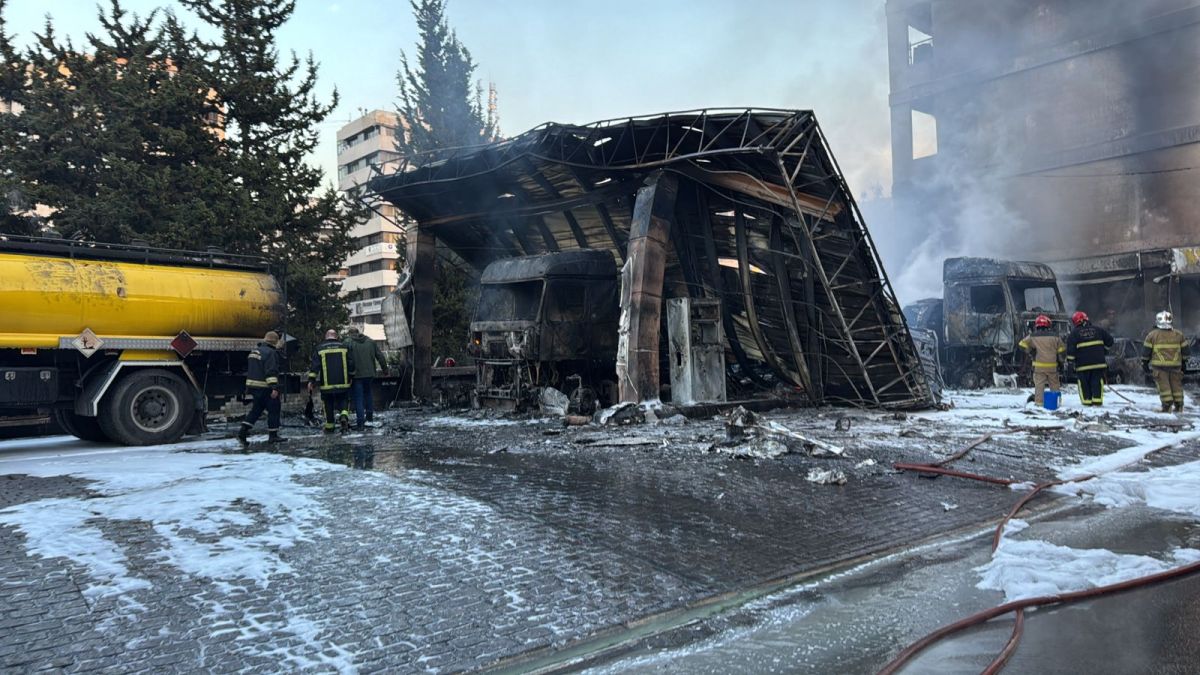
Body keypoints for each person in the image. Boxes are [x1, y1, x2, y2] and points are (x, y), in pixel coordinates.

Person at [237, 331, 285, 446]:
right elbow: (271, 371)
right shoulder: (271, 353)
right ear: (275, 341)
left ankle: (243, 431)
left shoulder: (254, 351)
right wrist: (274, 387)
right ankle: (273, 436)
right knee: (274, 408)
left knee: (256, 410)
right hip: (265, 387)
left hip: (254, 387)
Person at [1142, 311, 1190, 413]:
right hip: (1176, 366)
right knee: (1176, 386)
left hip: (1160, 367)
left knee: (1164, 387)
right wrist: (1184, 362)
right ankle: (1179, 406)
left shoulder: (1152, 335)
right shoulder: (1179, 334)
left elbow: (1146, 351)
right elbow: (1186, 351)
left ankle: (1167, 407)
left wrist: (1144, 363)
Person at [308, 329, 354, 433]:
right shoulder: (344, 347)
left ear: (326, 337)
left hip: (326, 385)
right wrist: (351, 376)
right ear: (336, 336)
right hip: (343, 383)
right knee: (344, 400)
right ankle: (343, 416)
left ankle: (330, 426)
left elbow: (315, 366)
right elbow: (351, 363)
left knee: (328, 404)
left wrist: (311, 380)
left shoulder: (320, 348)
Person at [1065, 311, 1113, 407]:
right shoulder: (1098, 330)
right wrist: (1104, 351)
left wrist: (1070, 363)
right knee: (1096, 382)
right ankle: (1097, 401)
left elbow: (1070, 351)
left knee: (1084, 383)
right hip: (1098, 364)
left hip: (1082, 366)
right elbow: (1110, 341)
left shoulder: (1074, 334)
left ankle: (1087, 402)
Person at [344, 325, 387, 430]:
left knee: (358, 398)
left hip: (356, 375)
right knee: (368, 394)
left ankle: (360, 422)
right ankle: (369, 418)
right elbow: (380, 356)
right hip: (370, 374)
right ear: (358, 332)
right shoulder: (370, 342)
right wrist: (385, 370)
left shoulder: (347, 343)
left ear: (350, 334)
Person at [1019, 314, 1065, 406]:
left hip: (1039, 367)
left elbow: (1021, 344)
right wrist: (1061, 362)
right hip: (1052, 367)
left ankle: (1039, 403)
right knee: (1054, 385)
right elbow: (1062, 351)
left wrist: (1031, 351)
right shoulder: (1056, 337)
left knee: (1039, 385)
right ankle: (1056, 402)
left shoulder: (1033, 336)